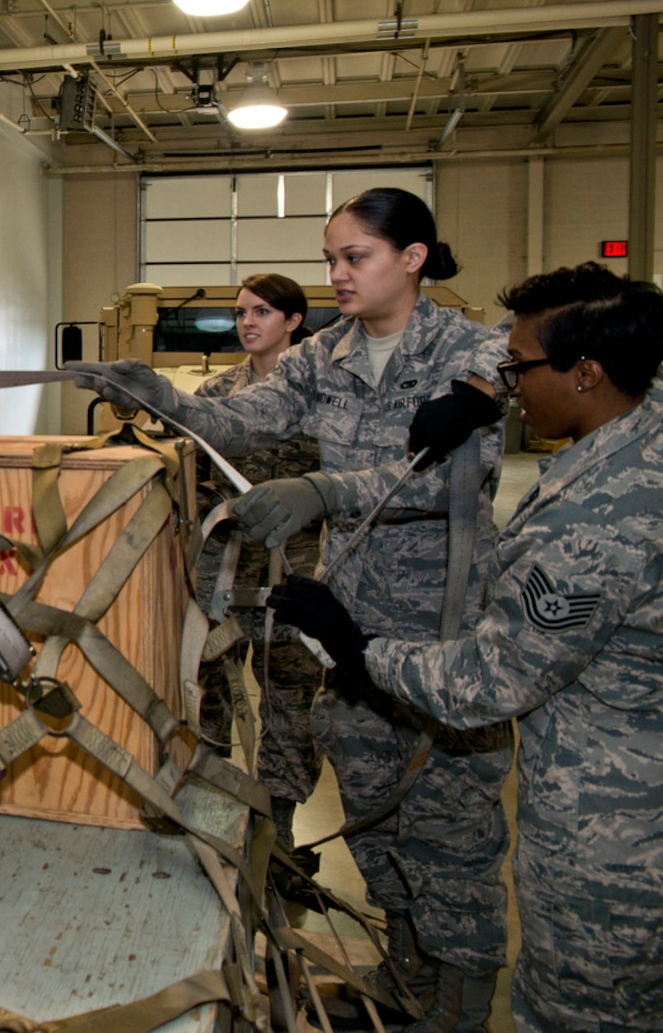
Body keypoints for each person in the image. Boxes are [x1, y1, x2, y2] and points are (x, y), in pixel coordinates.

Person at [90, 189, 511, 1029]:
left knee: (452, 834)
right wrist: (164, 400)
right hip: (348, 633)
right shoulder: (324, 355)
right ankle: (406, 979)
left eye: (355, 257)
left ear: (414, 256)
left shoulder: (478, 356)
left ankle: (459, 1008)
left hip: (445, 634)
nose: (337, 274)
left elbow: (447, 477)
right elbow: (245, 419)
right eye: (331, 259)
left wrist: (321, 489)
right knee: (373, 823)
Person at [273, 264, 663, 1032]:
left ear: (586, 373)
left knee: (581, 1007)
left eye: (518, 368)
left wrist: (355, 647)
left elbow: (487, 680)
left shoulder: (596, 516)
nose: (507, 383)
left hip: (616, 829)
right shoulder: (634, 439)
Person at [190, 274, 325, 854]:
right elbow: (194, 480)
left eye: (262, 312)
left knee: (290, 700)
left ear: (294, 321)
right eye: (241, 312)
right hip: (225, 568)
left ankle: (280, 833)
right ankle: (212, 814)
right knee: (211, 689)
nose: (247, 322)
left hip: (299, 568)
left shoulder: (324, 394)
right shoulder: (218, 394)